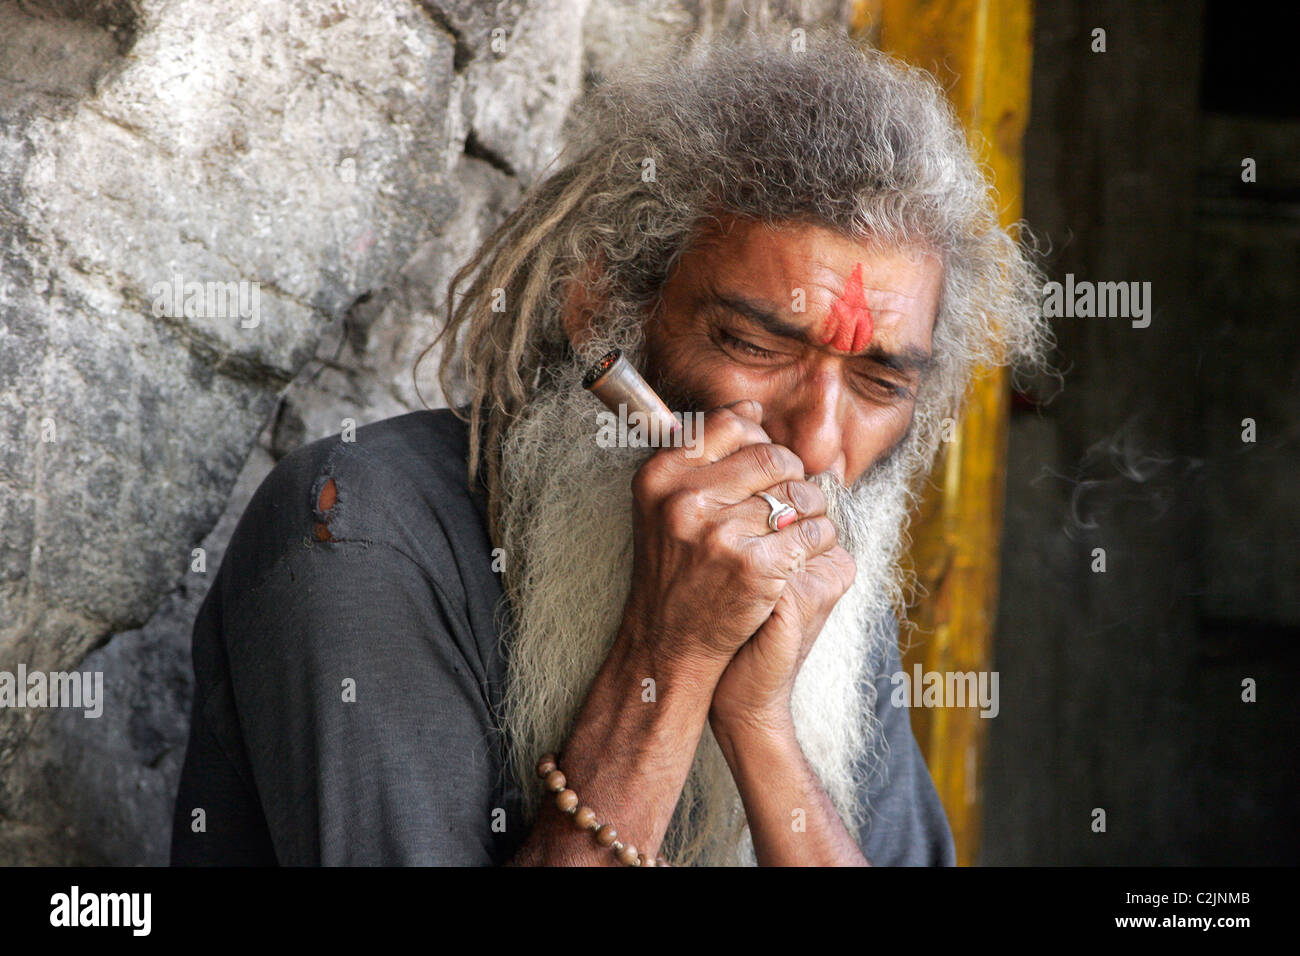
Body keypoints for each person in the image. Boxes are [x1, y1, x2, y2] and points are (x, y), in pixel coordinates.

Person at [170, 28, 1048, 867]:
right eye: (756, 346)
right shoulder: (357, 530)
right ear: (602, 316)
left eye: (878, 384)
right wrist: (668, 657)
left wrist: (762, 723)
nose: (818, 446)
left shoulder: (817, 586)